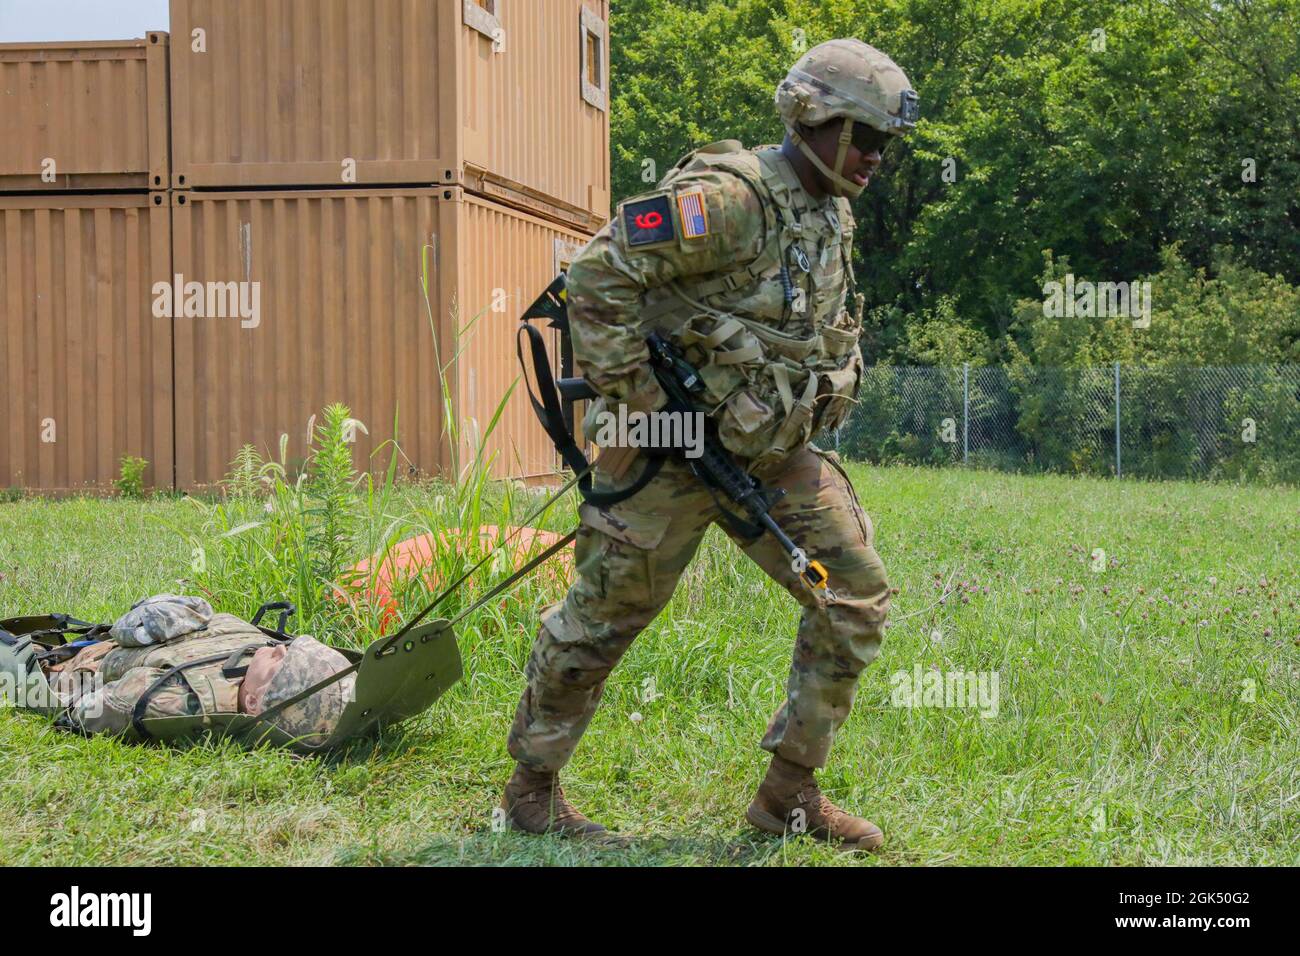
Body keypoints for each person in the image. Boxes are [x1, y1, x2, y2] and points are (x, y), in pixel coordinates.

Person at [502, 39, 918, 851]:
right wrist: (645, 402)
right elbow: (595, 275)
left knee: (854, 598)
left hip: (768, 453)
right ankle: (531, 791)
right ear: (810, 118)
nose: (874, 156)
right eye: (862, 136)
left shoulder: (831, 205)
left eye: (885, 144)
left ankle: (787, 796)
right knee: (603, 619)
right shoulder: (728, 200)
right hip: (665, 449)